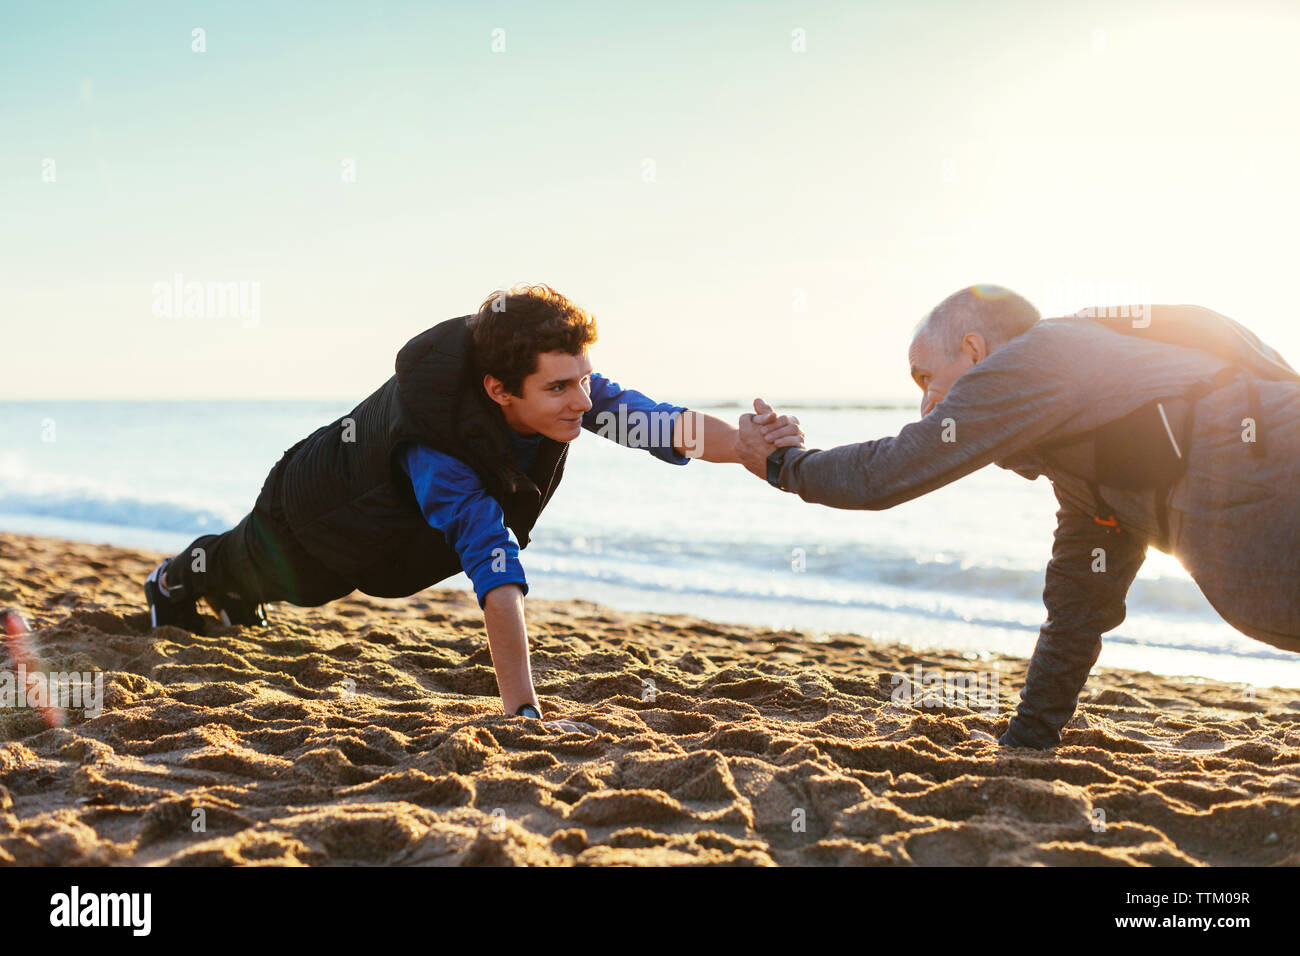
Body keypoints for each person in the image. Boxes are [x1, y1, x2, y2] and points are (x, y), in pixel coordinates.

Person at [144, 284, 805, 728]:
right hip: (315, 507)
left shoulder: (562, 390)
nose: (583, 400)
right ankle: (173, 579)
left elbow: (660, 424)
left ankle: (233, 595)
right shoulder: (442, 451)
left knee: (280, 586)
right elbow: (494, 569)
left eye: (583, 378)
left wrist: (747, 447)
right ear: (498, 389)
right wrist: (523, 712)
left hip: (369, 524)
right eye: (560, 387)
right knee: (291, 577)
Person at [734, 284, 1300, 750]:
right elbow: (1080, 604)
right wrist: (1029, 737)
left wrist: (786, 465)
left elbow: (892, 471)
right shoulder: (1088, 472)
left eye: (925, 377)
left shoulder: (1044, 354)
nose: (926, 404)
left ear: (976, 351)